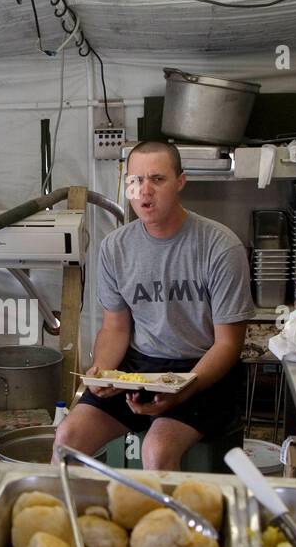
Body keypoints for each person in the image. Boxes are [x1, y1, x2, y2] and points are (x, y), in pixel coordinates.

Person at [53, 140, 253, 470]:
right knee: (67, 438)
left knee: (157, 450)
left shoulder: (219, 246)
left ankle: (162, 523)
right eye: (135, 181)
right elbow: (115, 327)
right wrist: (104, 372)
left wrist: (182, 391)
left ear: (180, 182)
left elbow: (229, 344)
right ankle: (66, 519)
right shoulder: (115, 248)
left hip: (202, 370)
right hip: (139, 366)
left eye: (157, 179)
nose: (145, 191)